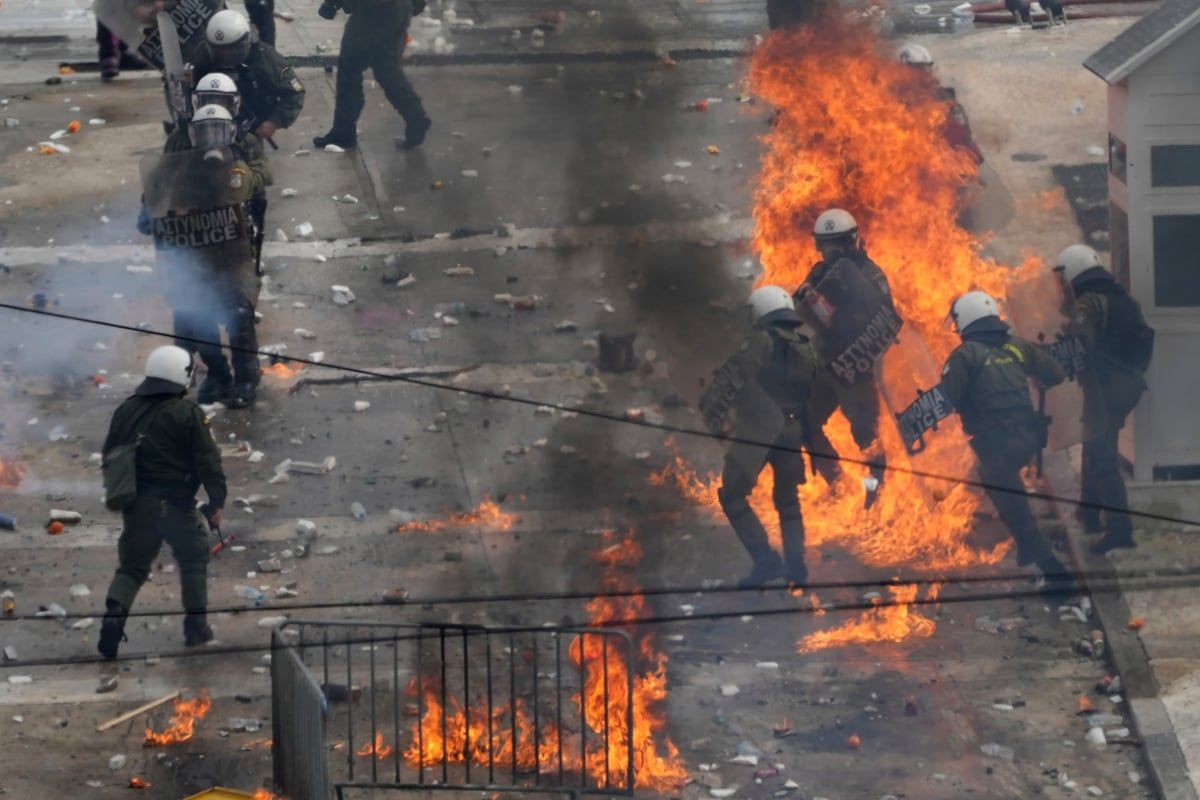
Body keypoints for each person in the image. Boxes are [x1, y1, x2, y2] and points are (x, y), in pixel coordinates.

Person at [97, 346, 226, 659]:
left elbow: (109, 456)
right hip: (175, 505)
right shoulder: (188, 414)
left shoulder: (126, 410)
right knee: (194, 557)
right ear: (178, 376)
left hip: (136, 504)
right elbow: (209, 462)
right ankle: (196, 629)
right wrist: (217, 502)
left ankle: (114, 618)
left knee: (132, 567)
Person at [139, 104, 269, 407]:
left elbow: (252, 189)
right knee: (194, 314)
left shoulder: (237, 165)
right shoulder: (181, 164)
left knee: (237, 313)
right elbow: (158, 188)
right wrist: (150, 211)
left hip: (230, 254)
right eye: (205, 131)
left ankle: (247, 378)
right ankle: (218, 373)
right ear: (193, 135)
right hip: (194, 252)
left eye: (218, 130)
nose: (211, 137)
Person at [941, 291, 1071, 587]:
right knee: (1007, 493)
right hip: (1027, 438)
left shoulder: (965, 355)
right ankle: (1030, 556)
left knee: (1016, 508)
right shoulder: (1017, 347)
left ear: (966, 321)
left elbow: (948, 398)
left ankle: (1054, 576)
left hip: (997, 445)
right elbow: (1056, 374)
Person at [706, 286, 816, 588]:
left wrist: (714, 409)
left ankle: (766, 561)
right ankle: (797, 570)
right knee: (789, 503)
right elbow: (810, 397)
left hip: (759, 433)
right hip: (792, 432)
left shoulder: (760, 342)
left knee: (732, 494)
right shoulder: (806, 348)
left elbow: (735, 378)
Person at [1054, 244, 1152, 554]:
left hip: (1108, 388)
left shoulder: (1089, 302)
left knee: (1102, 457)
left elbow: (1080, 342)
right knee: (1093, 442)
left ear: (1073, 274)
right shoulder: (1121, 299)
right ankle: (1089, 513)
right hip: (1126, 384)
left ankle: (1120, 531)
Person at [795, 208, 892, 499]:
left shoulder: (871, 277)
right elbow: (802, 309)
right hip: (825, 365)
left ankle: (876, 492)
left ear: (852, 241)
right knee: (804, 423)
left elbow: (883, 320)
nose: (832, 251)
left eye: (838, 243)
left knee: (866, 436)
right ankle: (837, 483)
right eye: (826, 245)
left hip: (856, 370)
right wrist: (806, 302)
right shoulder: (820, 273)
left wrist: (839, 318)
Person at [312, 0, 431, 151]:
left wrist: (330, 4)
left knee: (349, 70)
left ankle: (343, 133)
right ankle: (416, 117)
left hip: (372, 9)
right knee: (387, 69)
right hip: (400, 9)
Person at [189, 10, 305, 145]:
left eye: (232, 50)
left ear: (246, 42)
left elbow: (295, 92)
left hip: (251, 123)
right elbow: (189, 87)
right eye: (220, 51)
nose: (226, 57)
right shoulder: (202, 55)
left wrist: (274, 122)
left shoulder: (265, 58)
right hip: (210, 120)